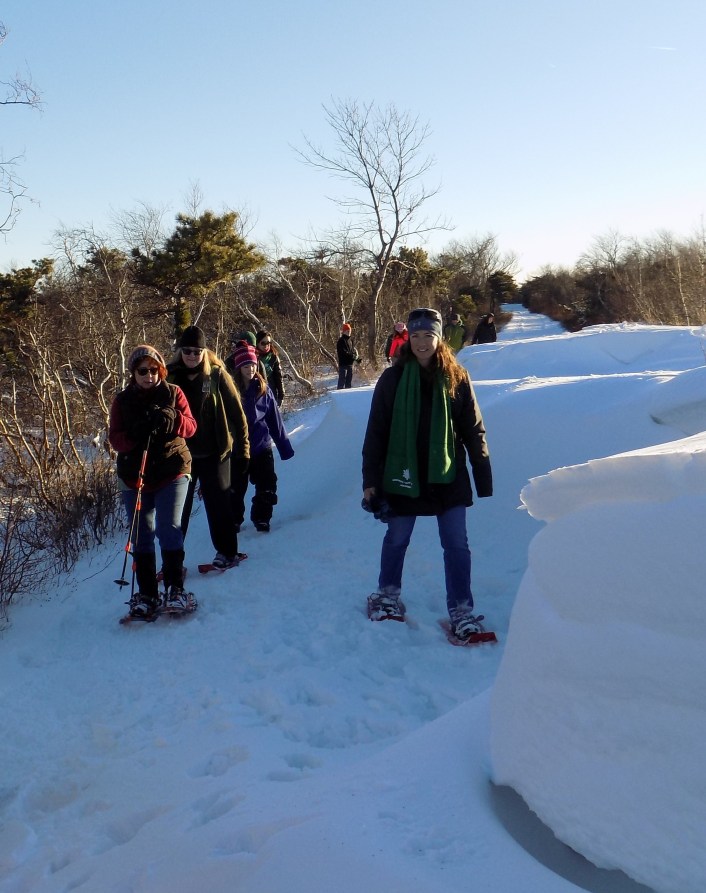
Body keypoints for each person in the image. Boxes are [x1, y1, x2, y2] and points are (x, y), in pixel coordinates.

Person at [362, 307, 494, 640]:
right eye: (416, 335)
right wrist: (370, 481)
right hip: (403, 474)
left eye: (428, 335)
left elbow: (473, 429)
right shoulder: (392, 379)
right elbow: (376, 432)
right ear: (408, 338)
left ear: (439, 338)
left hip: (447, 475)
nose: (422, 342)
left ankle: (462, 611)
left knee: (457, 544)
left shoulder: (457, 376)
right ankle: (386, 596)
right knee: (397, 538)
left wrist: (482, 474)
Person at [108, 344, 197, 617]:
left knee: (169, 527)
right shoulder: (122, 401)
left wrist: (174, 419)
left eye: (154, 370)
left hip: (172, 470)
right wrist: (135, 434)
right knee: (141, 534)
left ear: (161, 371)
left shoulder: (174, 393)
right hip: (135, 476)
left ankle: (175, 589)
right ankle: (147, 593)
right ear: (133, 373)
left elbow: (191, 427)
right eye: (143, 371)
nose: (149, 376)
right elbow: (115, 439)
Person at [167, 326, 249, 569]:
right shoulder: (170, 377)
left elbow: (238, 415)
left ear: (204, 351)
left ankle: (227, 552)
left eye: (197, 351)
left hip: (215, 453)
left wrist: (244, 451)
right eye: (188, 351)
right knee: (177, 512)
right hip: (181, 456)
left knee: (219, 506)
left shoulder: (216, 375)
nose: (192, 356)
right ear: (180, 351)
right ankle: (173, 563)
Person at [229, 342, 294, 533]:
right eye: (246, 366)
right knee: (235, 489)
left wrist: (284, 447)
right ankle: (233, 520)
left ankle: (262, 517)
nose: (250, 369)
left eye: (253, 365)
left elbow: (275, 420)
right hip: (238, 449)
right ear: (239, 368)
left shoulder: (263, 389)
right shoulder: (231, 390)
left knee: (267, 484)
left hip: (261, 445)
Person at [255, 329, 285, 406]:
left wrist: (281, 395)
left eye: (268, 343)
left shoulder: (273, 356)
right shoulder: (253, 357)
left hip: (271, 392)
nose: (266, 346)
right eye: (263, 343)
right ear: (257, 343)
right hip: (257, 394)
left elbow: (278, 376)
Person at [336, 322, 361, 389]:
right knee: (342, 381)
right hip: (343, 364)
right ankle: (339, 393)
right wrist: (352, 356)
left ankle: (347, 393)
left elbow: (352, 351)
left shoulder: (350, 340)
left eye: (350, 330)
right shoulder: (341, 341)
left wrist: (357, 359)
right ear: (344, 331)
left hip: (350, 364)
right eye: (347, 331)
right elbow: (344, 352)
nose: (349, 332)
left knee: (348, 382)